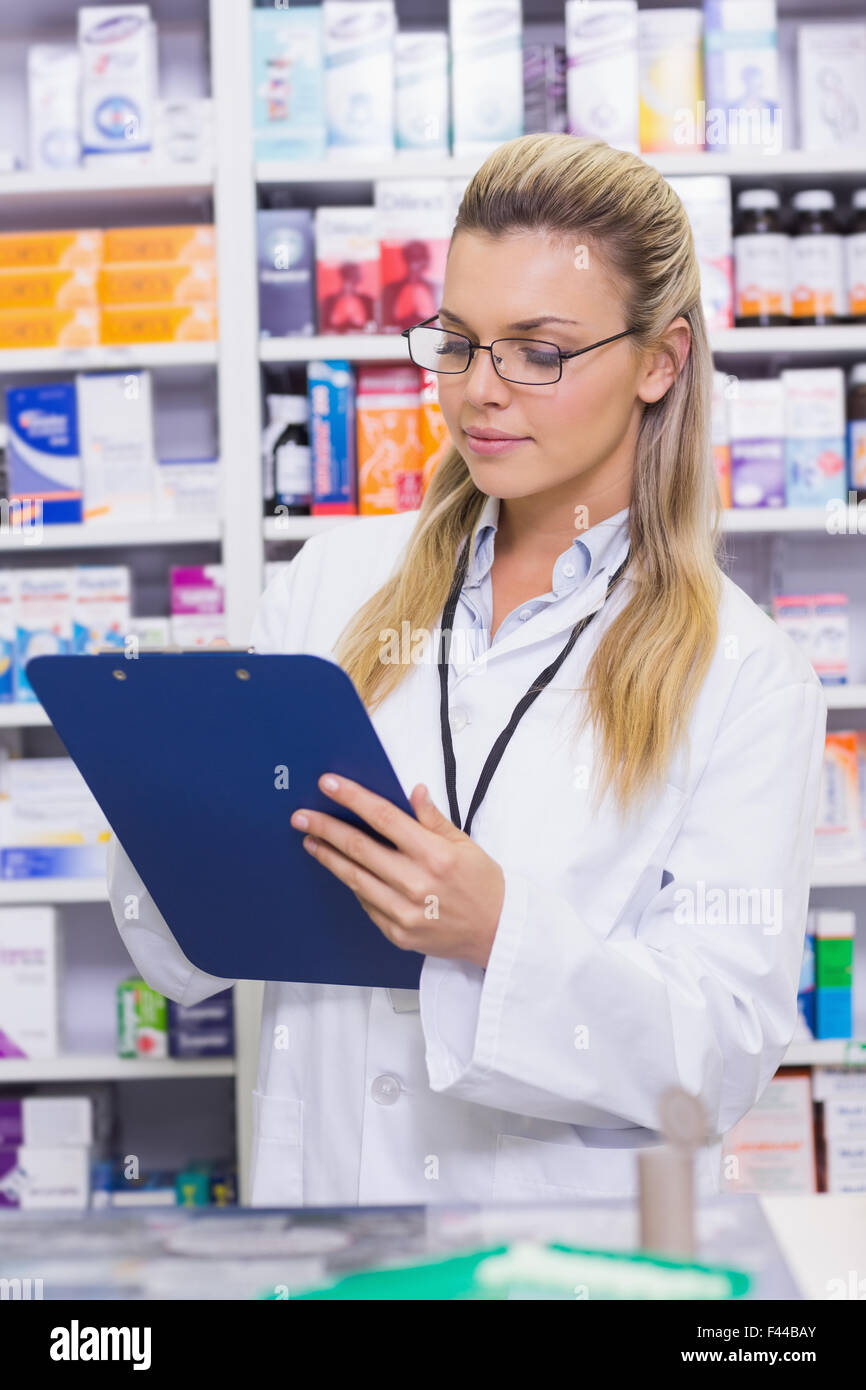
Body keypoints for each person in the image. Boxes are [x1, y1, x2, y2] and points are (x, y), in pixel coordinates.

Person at [107, 133, 827, 1206]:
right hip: (324, 1230)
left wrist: (498, 932)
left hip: (555, 1254)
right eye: (456, 340)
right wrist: (174, 813)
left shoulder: (743, 673)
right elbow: (181, 949)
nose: (478, 391)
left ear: (659, 360)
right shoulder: (335, 580)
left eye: (537, 350)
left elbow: (716, 1051)